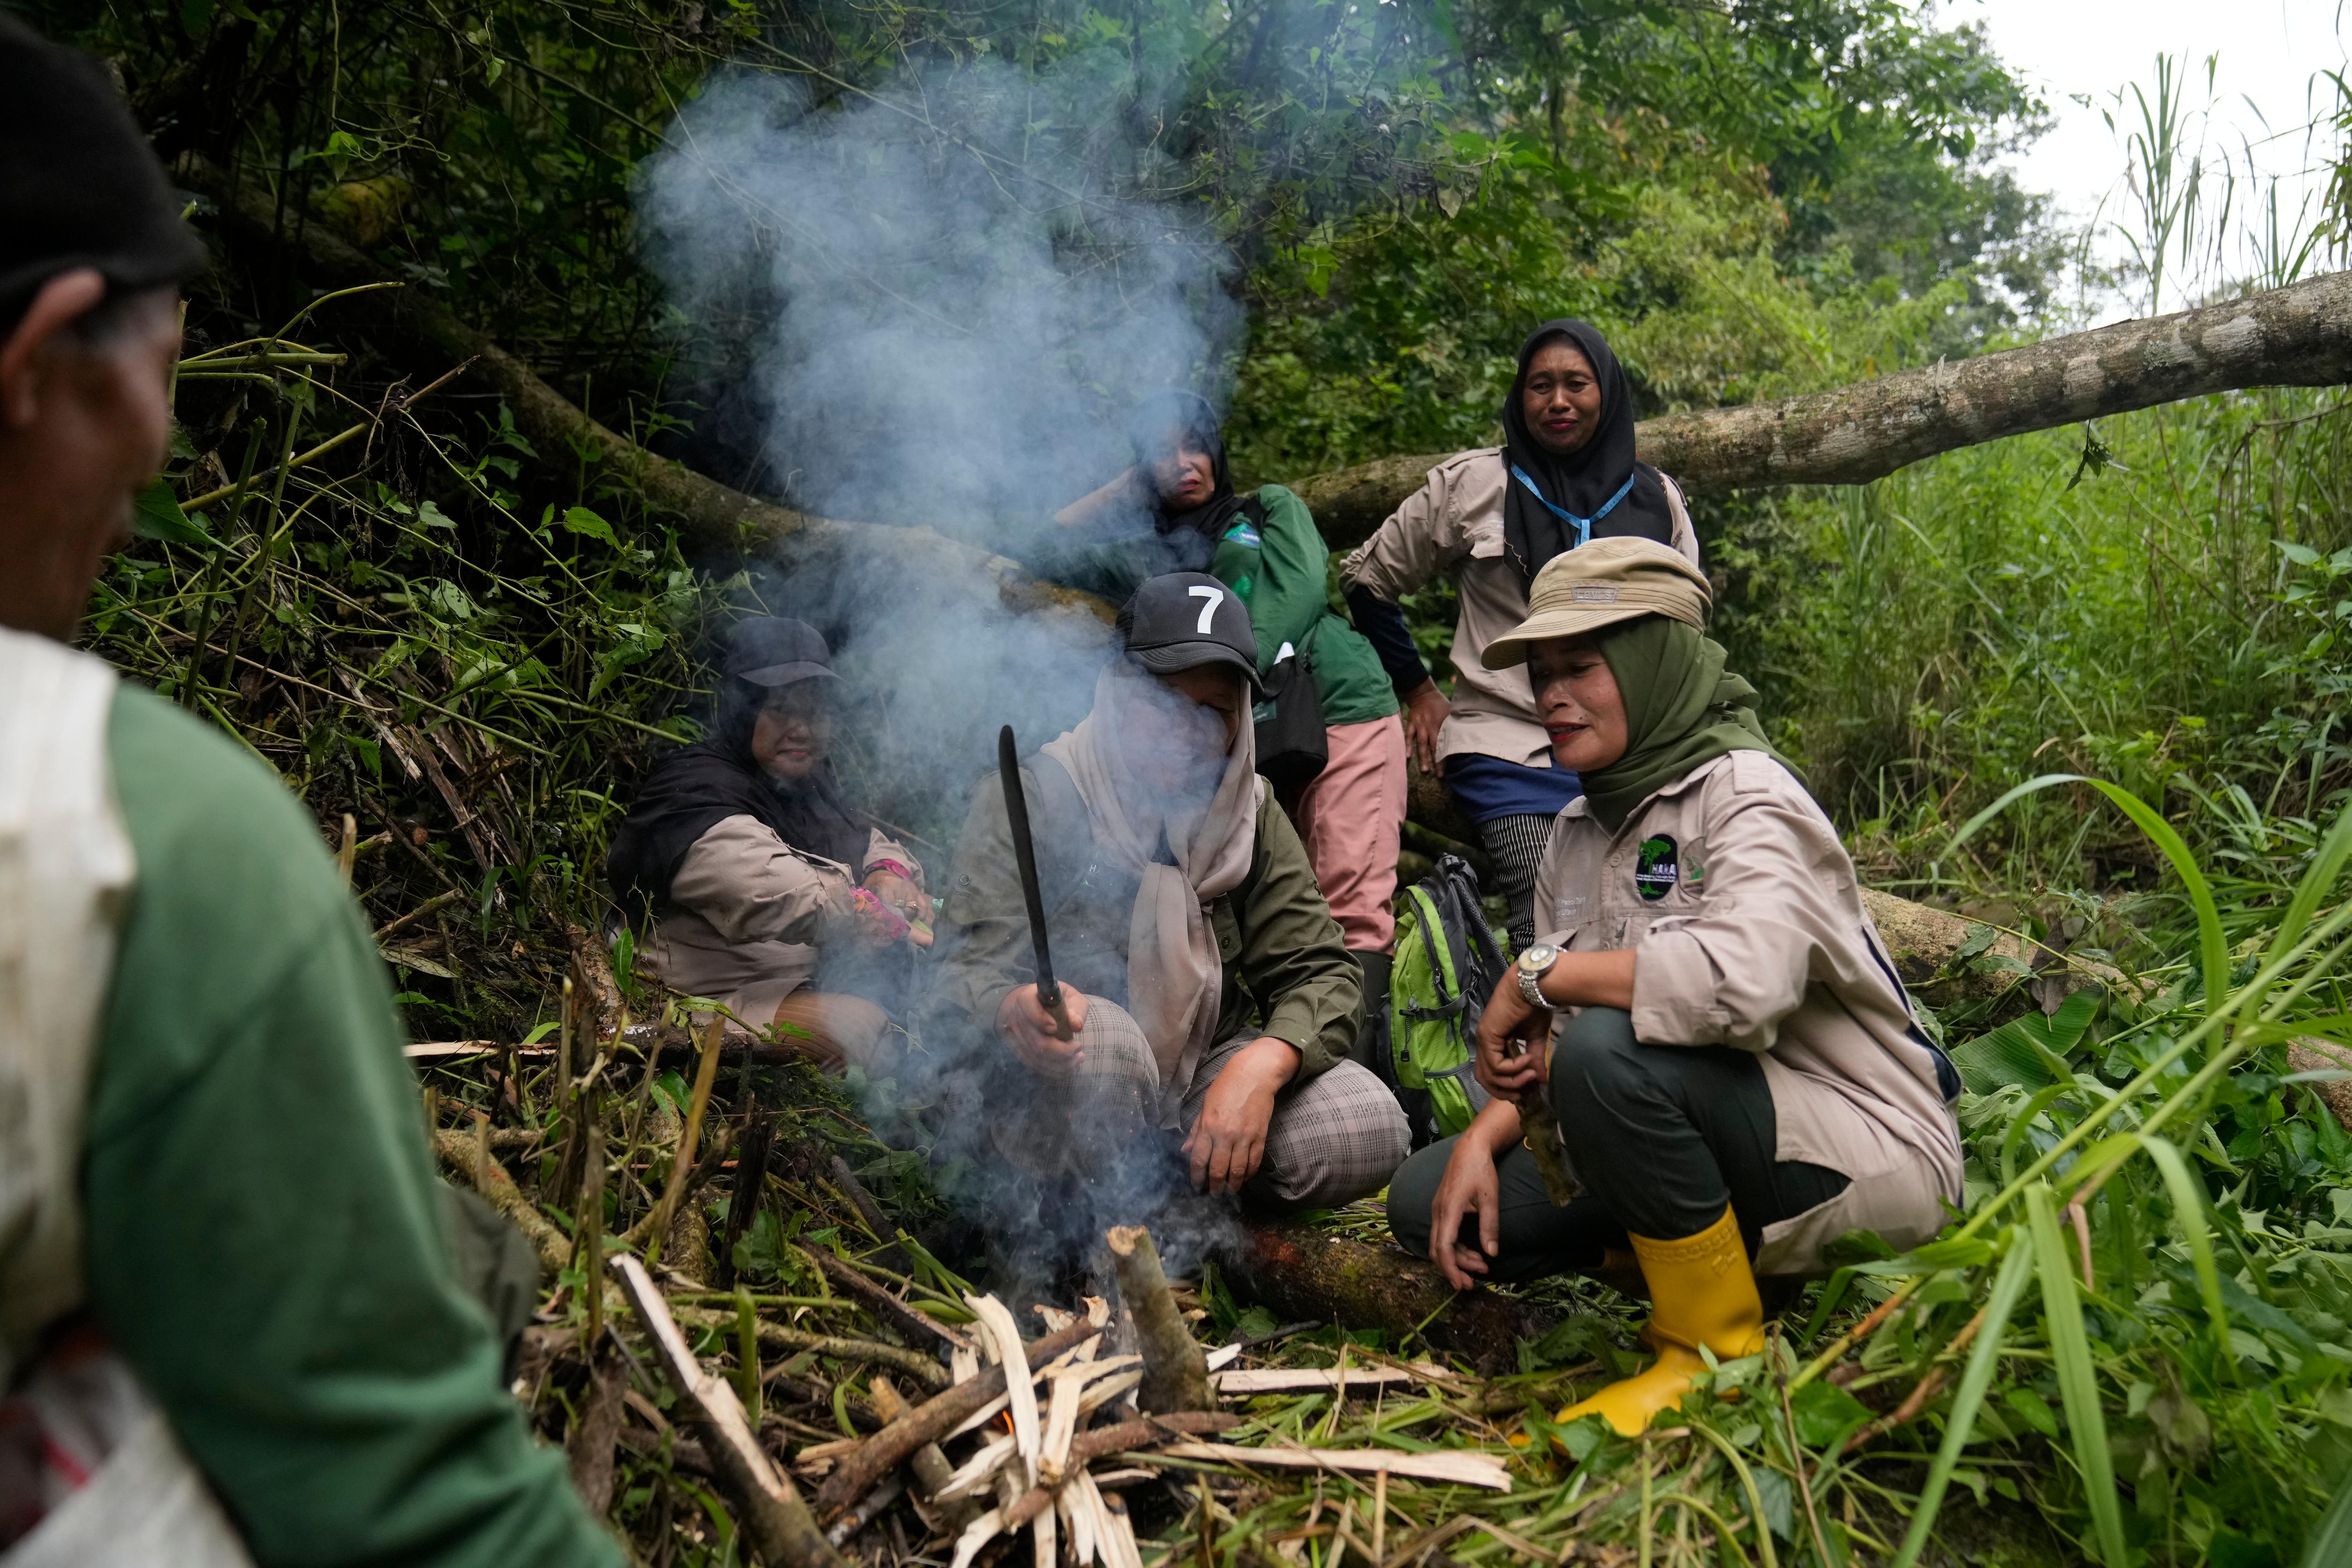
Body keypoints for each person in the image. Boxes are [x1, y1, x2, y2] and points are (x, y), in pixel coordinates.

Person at [0, 15, 621, 1561]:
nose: (152, 463)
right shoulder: (125, 836)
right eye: (158, 371)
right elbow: (423, 1516)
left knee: (465, 1244)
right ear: (36, 358)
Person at [1384, 540, 1963, 1437]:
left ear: (1656, 660)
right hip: (1695, 1117)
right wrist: (1486, 1133)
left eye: (1582, 665)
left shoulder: (1748, 795)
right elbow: (1566, 1039)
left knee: (1609, 1054)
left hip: (1861, 1147)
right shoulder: (1577, 831)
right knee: (1432, 1199)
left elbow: (1747, 985)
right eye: (1541, 672)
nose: (1551, 694)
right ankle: (1706, 1257)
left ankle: (1709, 1352)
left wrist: (1538, 974)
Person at [924, 573, 1410, 1232]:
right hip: (1040, 1090)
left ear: (1240, 718)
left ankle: (1182, 1211)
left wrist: (1265, 1062)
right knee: (1110, 1045)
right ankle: (1070, 1220)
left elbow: (1321, 974)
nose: (1186, 730)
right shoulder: (1037, 796)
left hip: (1189, 1086)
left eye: (1213, 708)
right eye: (1162, 700)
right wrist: (1009, 1009)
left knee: (1366, 1122)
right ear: (1116, 692)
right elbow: (960, 976)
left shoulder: (1249, 813)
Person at [1340, 320, 1701, 949]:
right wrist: (1420, 690)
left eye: (1575, 384)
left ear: (1607, 392)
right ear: (1519, 396)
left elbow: (1687, 625)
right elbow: (1366, 578)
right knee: (1550, 913)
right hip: (1513, 746)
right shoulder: (1474, 486)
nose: (1558, 401)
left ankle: (1623, 1040)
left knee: (1661, 918)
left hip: (1638, 758)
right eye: (1541, 386)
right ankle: (1539, 1035)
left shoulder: (1656, 498)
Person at [1054, 392, 1409, 1027]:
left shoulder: (1265, 507)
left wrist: (1235, 676)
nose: (1184, 462)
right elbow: (1043, 543)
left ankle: (1355, 1076)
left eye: (1195, 444)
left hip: (1332, 700)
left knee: (1347, 898)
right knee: (1278, 908)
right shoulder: (1144, 556)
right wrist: (1126, 485)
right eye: (1161, 452)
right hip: (1225, 736)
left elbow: (1302, 587)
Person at [606, 616, 930, 1070]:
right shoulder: (694, 786)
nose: (801, 728)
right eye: (781, 708)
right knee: (856, 1027)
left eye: (814, 710)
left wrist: (887, 874)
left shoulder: (805, 788)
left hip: (784, 981)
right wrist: (867, 908)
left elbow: (869, 842)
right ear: (742, 709)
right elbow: (767, 889)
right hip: (698, 1000)